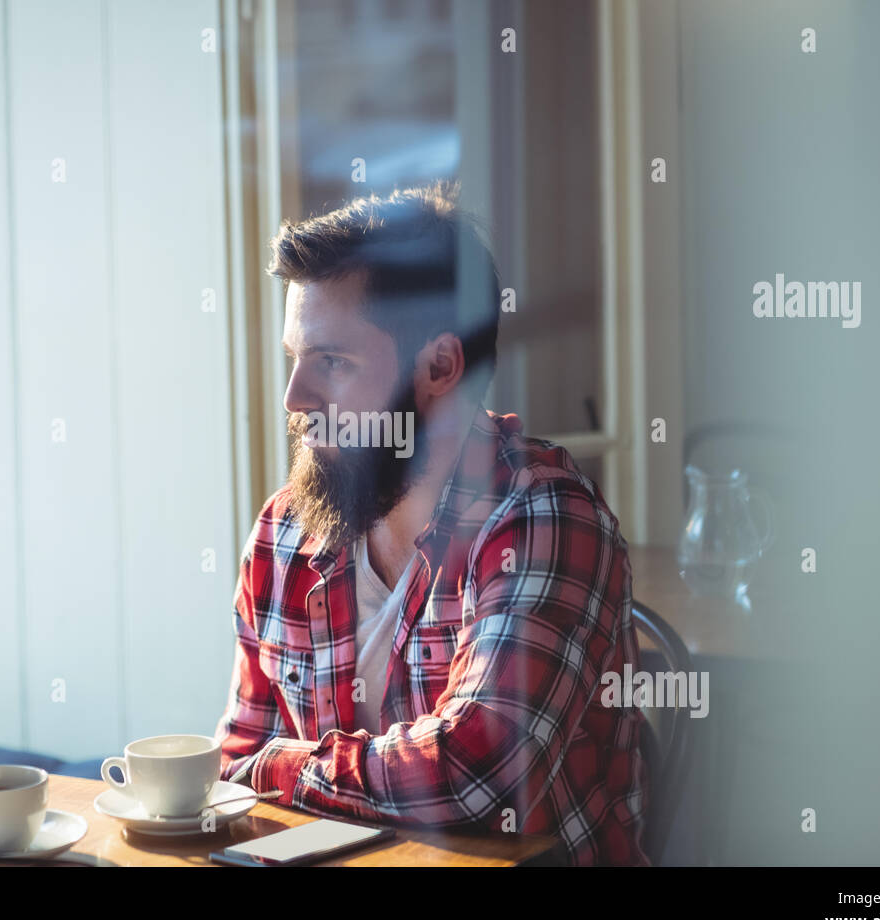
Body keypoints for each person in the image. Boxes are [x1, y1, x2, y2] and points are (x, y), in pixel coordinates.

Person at [212, 182, 650, 865]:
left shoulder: (546, 520)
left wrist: (281, 766)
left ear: (440, 365)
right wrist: (262, 769)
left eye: (332, 361)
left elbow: (477, 771)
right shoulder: (284, 535)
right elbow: (237, 767)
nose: (295, 397)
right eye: (295, 358)